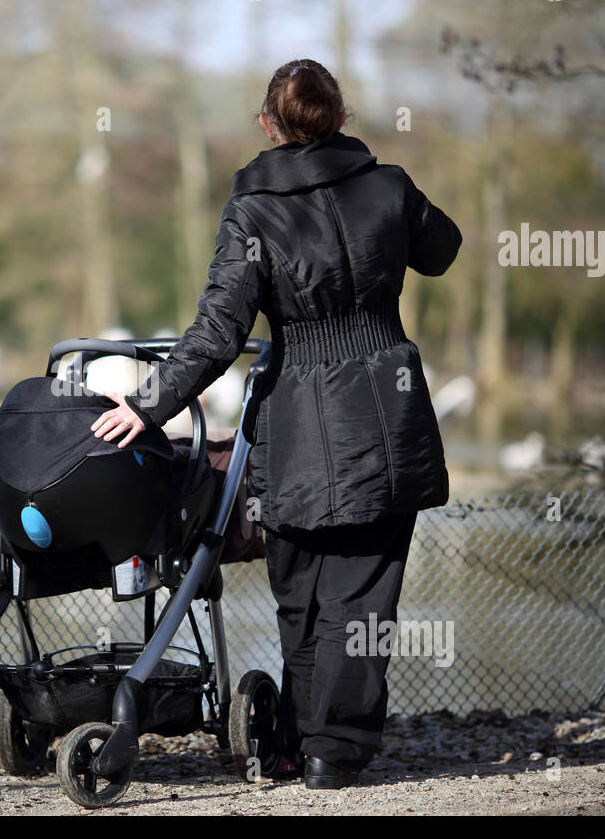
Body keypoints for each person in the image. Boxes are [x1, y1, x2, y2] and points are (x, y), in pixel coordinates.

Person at [89, 58, 461, 789]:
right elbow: (443, 250)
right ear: (343, 118)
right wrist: (390, 194)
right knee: (363, 595)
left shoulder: (251, 209)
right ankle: (331, 750)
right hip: (387, 413)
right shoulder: (388, 186)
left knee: (301, 593)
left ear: (267, 124)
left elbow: (219, 330)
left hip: (294, 417)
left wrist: (148, 404)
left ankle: (301, 746)